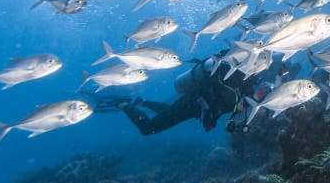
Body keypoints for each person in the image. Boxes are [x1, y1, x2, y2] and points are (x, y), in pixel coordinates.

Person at [113, 53, 276, 136]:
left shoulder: (247, 83)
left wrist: (256, 100)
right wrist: (207, 115)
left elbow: (237, 106)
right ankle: (125, 106)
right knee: (148, 129)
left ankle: (142, 102)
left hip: (193, 108)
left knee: (171, 111)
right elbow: (208, 94)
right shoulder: (231, 74)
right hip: (192, 104)